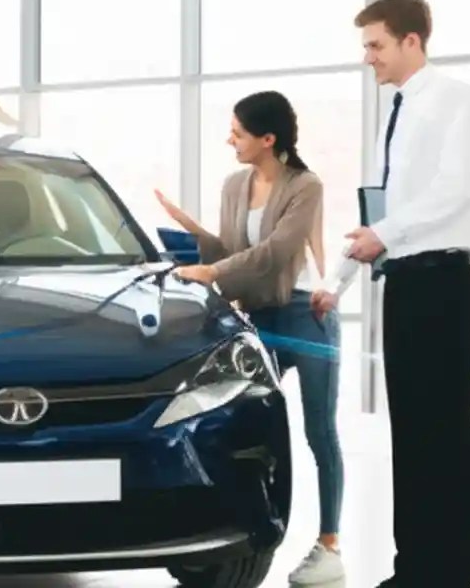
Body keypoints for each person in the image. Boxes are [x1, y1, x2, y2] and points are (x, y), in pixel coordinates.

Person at [154, 91, 345, 585]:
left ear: (267, 138)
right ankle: (235, 531)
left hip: (306, 319)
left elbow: (277, 252)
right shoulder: (234, 184)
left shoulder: (307, 186)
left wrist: (212, 267)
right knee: (246, 427)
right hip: (259, 319)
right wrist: (191, 230)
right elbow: (237, 252)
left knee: (319, 433)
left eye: (238, 133)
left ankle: (329, 545)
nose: (230, 139)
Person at [336, 0, 470, 588]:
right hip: (404, 284)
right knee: (413, 438)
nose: (368, 58)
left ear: (411, 42)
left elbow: (456, 190)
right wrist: (345, 274)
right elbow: (387, 209)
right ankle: (417, 571)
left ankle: (448, 574)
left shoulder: (455, 101)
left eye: (376, 45)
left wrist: (385, 232)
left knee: (444, 435)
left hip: (441, 285)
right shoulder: (394, 114)